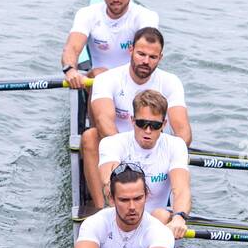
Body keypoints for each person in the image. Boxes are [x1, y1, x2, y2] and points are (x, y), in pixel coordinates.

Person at [82, 27, 191, 207]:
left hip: (154, 143)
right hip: (116, 142)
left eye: (152, 57)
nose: (145, 61)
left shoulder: (171, 82)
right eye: (141, 54)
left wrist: (175, 152)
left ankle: (172, 200)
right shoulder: (107, 79)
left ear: (160, 58)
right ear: (131, 50)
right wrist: (129, 159)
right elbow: (103, 121)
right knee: (90, 137)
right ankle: (102, 208)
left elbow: (183, 131)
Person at [96, 89, 191, 237]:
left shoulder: (176, 145)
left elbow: (181, 189)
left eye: (154, 125)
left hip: (155, 221)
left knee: (162, 215)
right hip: (120, 218)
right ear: (132, 121)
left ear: (164, 124)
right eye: (142, 123)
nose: (147, 130)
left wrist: (179, 217)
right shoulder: (112, 143)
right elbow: (108, 185)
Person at [60, 0, 159, 88]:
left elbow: (149, 49)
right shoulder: (87, 14)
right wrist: (70, 70)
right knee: (100, 74)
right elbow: (72, 48)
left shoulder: (146, 16)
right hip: (97, 80)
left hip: (134, 79)